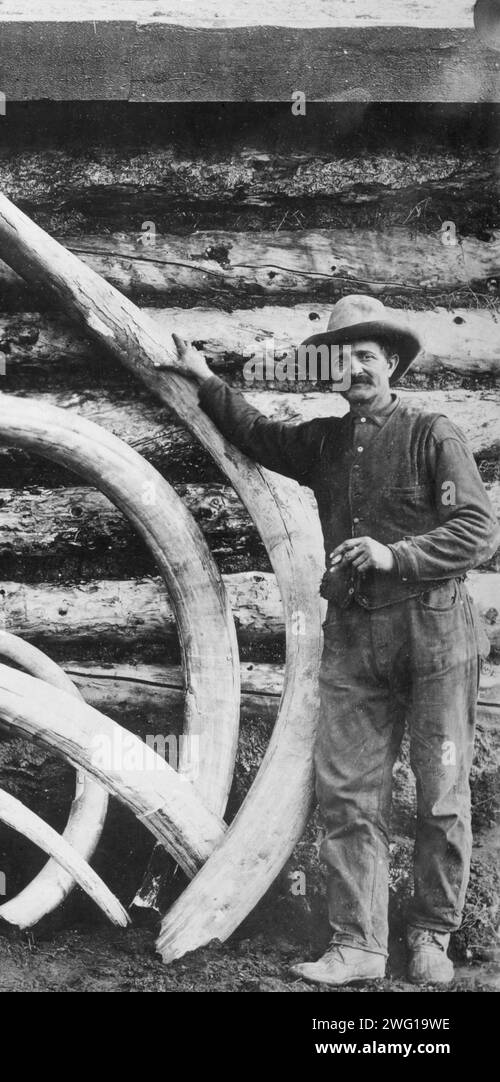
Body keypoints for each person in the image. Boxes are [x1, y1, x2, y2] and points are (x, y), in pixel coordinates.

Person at [156, 295, 498, 986]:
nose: (355, 369)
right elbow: (256, 434)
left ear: (391, 363)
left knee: (440, 791)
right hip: (354, 637)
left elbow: (478, 532)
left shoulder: (433, 434)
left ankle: (431, 936)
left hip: (435, 635)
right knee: (347, 792)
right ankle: (358, 945)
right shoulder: (324, 444)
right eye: (343, 359)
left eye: (367, 356)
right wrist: (203, 379)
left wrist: (394, 554)